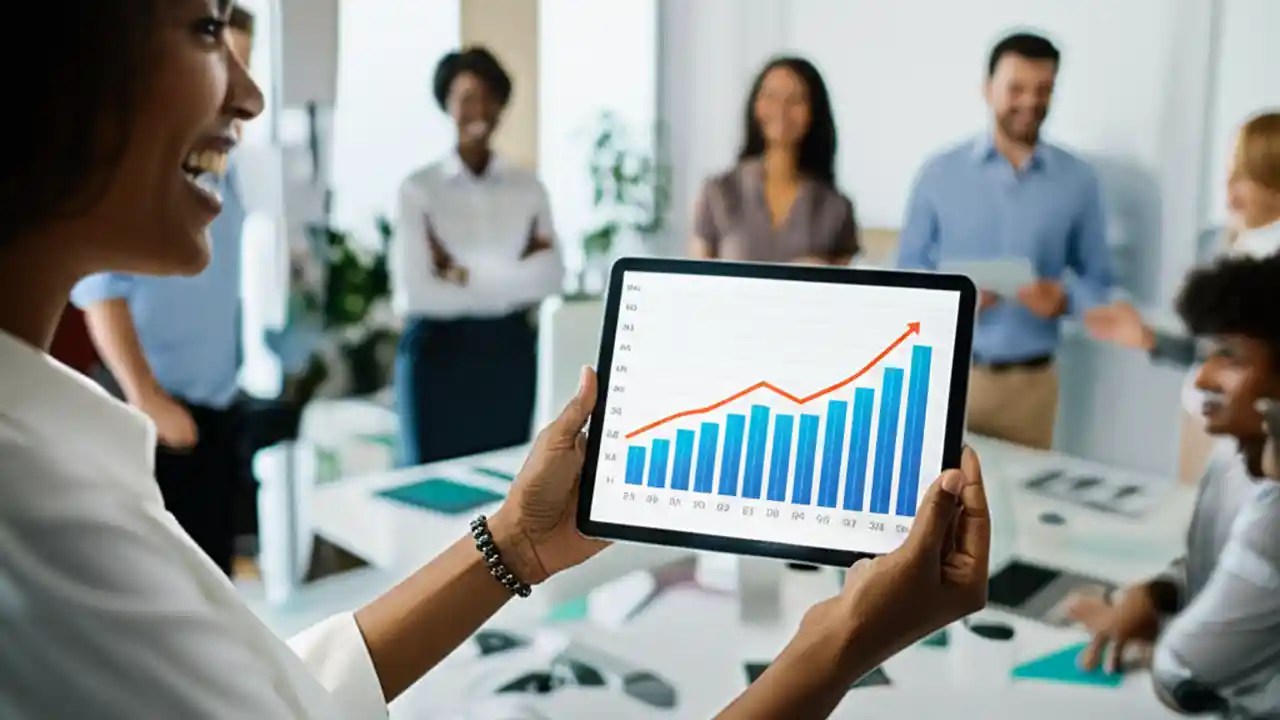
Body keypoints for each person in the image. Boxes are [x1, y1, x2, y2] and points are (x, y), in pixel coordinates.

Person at [0, 3, 990, 716]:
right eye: (208, 27)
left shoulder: (54, 478)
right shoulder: (45, 517)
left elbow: (281, 696)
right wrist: (839, 644)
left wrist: (513, 542)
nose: (251, 94)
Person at [64, 4, 256, 575]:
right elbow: (101, 285)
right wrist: (145, 396)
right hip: (153, 410)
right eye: (218, 62)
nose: (245, 94)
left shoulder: (224, 170)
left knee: (214, 578)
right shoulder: (137, 174)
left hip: (215, 407)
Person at [1071, 256, 1280, 718]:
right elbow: (1209, 561)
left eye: (1231, 358)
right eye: (1207, 354)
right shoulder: (1230, 457)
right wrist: (1156, 594)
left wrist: (1164, 636)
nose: (1203, 380)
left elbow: (1184, 672)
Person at [897, 32, 1111, 450]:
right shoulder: (938, 174)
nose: (1030, 102)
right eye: (1016, 88)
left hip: (1030, 387)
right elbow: (906, 275)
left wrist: (1065, 298)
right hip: (947, 380)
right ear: (987, 88)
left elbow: (1099, 281)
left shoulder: (1079, 181)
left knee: (1021, 513)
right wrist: (954, 300)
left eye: (1043, 89)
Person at [390, 46, 564, 467]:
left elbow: (550, 278)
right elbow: (417, 294)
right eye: (467, 97)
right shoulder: (419, 190)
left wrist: (459, 272)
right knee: (430, 490)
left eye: (489, 97)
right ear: (447, 103)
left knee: (501, 489)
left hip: (509, 357)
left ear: (503, 106)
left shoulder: (528, 188)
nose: (479, 109)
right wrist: (513, 276)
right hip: (437, 358)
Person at [1085, 111, 1280, 367]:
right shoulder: (1213, 245)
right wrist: (1148, 337)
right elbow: (1200, 350)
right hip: (1205, 401)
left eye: (1246, 175)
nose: (1229, 184)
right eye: (1231, 170)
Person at [690, 56, 859, 265]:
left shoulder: (836, 207)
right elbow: (697, 282)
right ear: (755, 105)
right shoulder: (718, 192)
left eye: (795, 99)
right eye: (771, 96)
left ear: (814, 111)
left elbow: (843, 291)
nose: (781, 109)